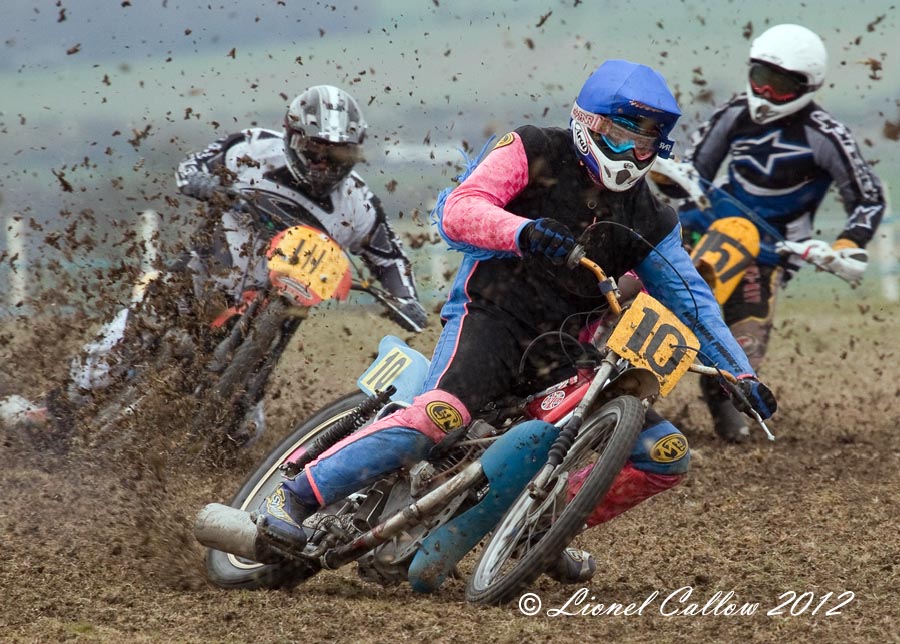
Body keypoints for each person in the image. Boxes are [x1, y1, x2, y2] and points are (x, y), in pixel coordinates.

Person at [253, 60, 778, 584]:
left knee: (663, 455)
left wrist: (741, 374)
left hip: (568, 350)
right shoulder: (531, 148)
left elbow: (691, 298)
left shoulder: (652, 217)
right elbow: (458, 211)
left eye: (646, 143)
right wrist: (522, 231)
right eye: (620, 136)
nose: (632, 154)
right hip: (490, 317)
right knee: (439, 417)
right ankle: (294, 495)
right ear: (588, 124)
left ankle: (539, 528)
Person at [9, 85, 427, 438]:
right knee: (123, 341)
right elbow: (189, 169)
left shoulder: (359, 203)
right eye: (313, 150)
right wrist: (208, 186)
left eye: (335, 155)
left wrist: (406, 301)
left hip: (277, 311)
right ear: (291, 136)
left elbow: (389, 258)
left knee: (246, 431)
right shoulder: (249, 149)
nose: (321, 165)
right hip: (200, 278)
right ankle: (53, 409)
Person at [669, 24, 885, 442]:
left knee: (741, 350)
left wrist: (846, 245)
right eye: (760, 80)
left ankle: (732, 427)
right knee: (628, 297)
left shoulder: (826, 135)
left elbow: (869, 198)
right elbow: (693, 171)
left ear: (808, 86)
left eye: (780, 86)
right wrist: (669, 177)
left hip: (765, 257)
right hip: (700, 233)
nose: (765, 94)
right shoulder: (733, 113)